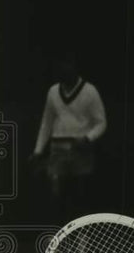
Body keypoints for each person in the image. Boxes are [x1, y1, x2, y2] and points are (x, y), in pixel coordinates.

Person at [30, 52, 107, 225]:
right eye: (59, 66)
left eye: (67, 65)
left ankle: (81, 247)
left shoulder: (90, 91)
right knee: (56, 200)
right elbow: (46, 123)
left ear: (74, 67)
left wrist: (88, 138)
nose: (63, 69)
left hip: (81, 152)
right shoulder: (53, 91)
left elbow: (101, 123)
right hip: (57, 150)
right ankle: (57, 244)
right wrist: (38, 150)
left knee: (80, 201)